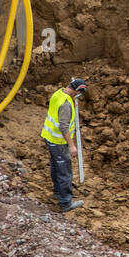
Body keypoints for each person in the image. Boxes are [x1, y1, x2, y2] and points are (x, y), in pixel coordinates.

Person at [41, 77, 87, 212]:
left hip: (49, 137)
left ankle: (57, 192)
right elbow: (63, 127)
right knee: (64, 172)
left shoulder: (59, 93)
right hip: (59, 142)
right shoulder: (66, 104)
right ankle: (66, 202)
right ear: (77, 91)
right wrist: (71, 146)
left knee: (56, 167)